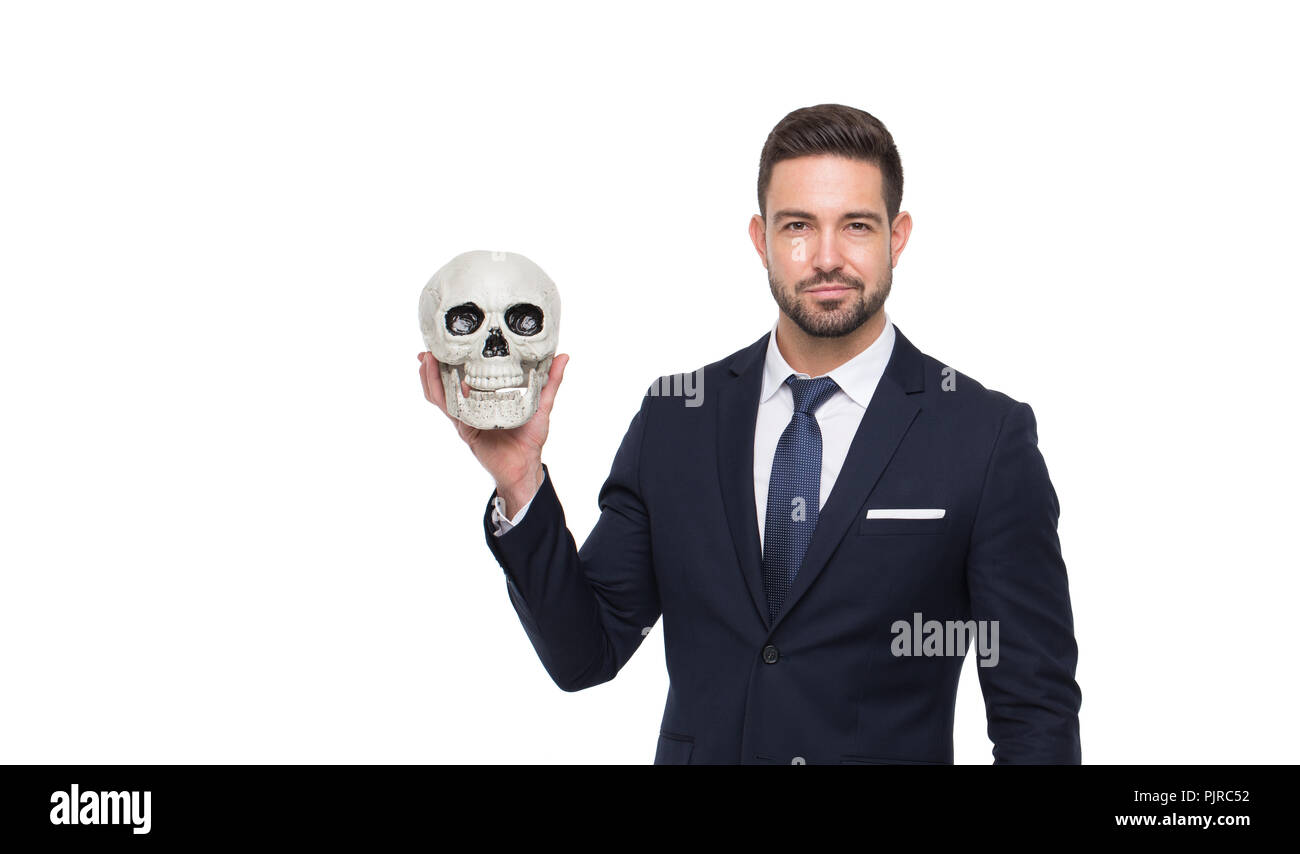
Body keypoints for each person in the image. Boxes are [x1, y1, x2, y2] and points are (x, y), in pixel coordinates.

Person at [417, 104, 1082, 764]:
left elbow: (1036, 714)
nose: (827, 257)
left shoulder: (984, 438)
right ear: (761, 239)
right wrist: (521, 481)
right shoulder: (678, 419)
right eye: (798, 226)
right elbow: (583, 654)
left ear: (897, 237)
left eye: (856, 226)